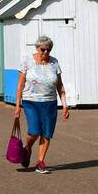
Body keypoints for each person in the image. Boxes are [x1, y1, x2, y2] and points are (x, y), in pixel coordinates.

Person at [12, 35, 69, 174]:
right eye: (43, 49)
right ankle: (27, 148)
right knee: (34, 130)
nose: (45, 53)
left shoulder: (54, 63)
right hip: (31, 101)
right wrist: (17, 106)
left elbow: (60, 86)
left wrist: (65, 104)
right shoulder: (27, 61)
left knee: (47, 133)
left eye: (48, 50)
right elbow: (20, 85)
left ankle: (40, 162)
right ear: (37, 48)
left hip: (50, 103)